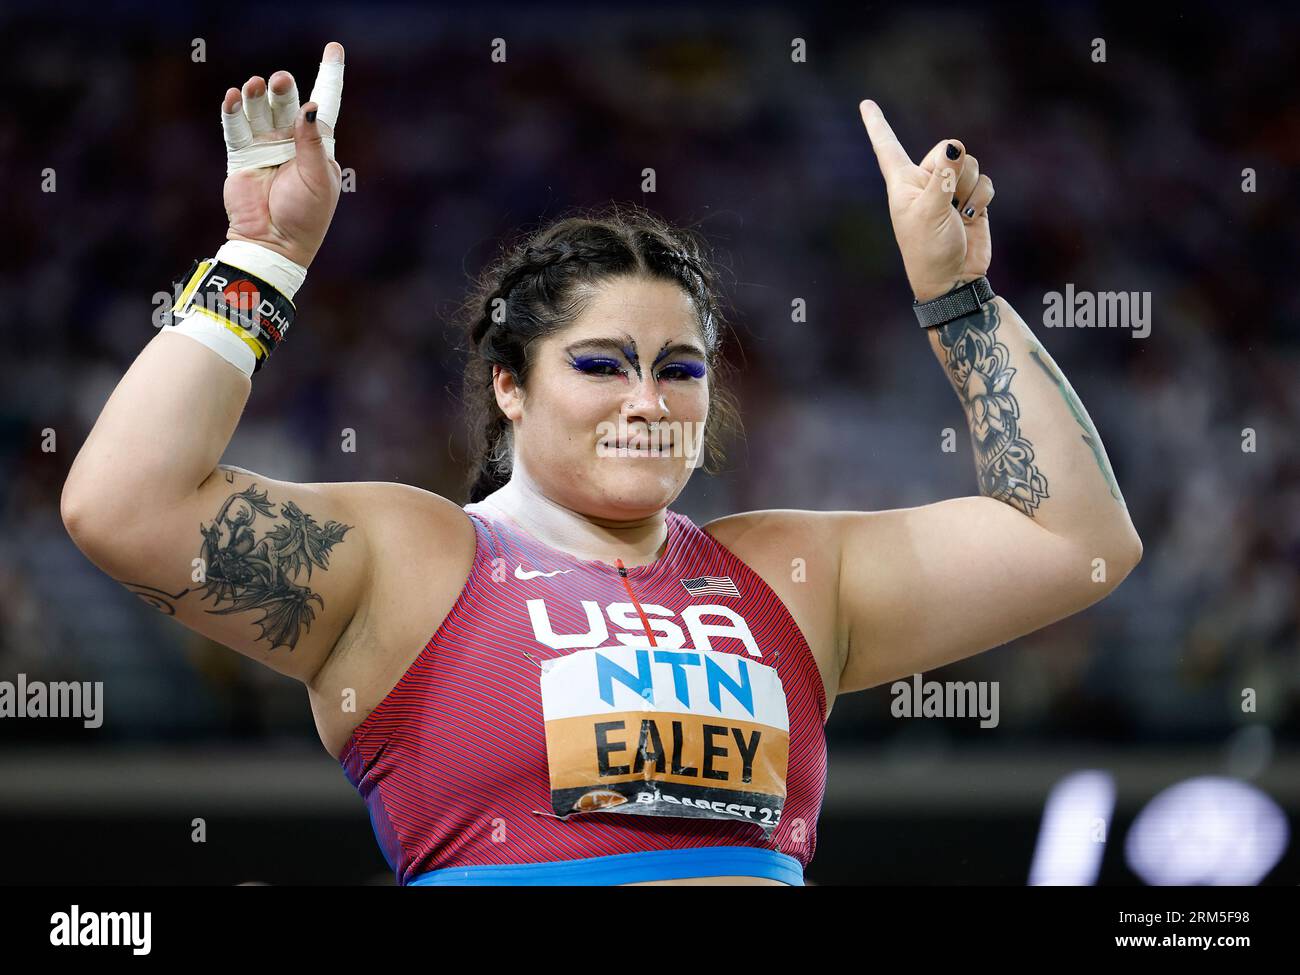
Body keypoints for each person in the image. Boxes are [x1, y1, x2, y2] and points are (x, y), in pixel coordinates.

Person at [61, 41, 1142, 886]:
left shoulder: (793, 580)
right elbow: (125, 504)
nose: (646, 400)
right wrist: (264, 257)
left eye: (680, 368)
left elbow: (1077, 543)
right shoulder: (410, 563)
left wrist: (956, 300)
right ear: (509, 387)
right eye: (599, 364)